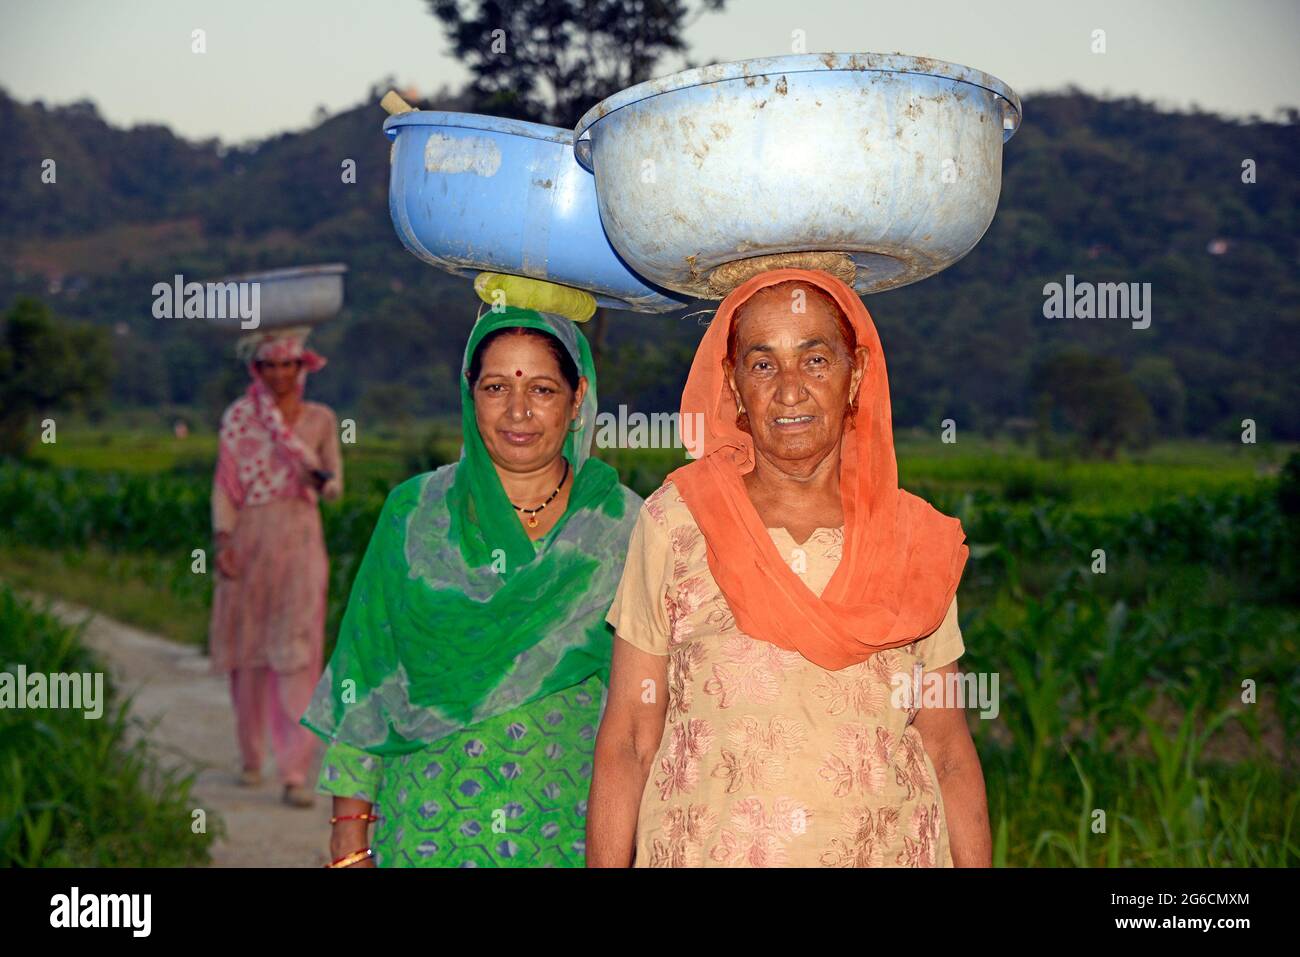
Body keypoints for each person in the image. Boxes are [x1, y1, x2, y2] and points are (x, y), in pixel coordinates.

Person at [588, 268, 991, 867]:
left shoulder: (911, 538)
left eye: (815, 360)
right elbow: (629, 738)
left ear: (855, 375)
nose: (790, 389)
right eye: (763, 363)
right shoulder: (677, 522)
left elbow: (948, 749)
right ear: (733, 384)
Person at [302, 305, 641, 868]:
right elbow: (365, 678)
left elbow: (645, 716)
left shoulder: (621, 527)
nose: (518, 411)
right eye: (494, 387)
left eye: (542, 389)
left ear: (577, 398)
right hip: (428, 826)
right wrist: (349, 836)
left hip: (564, 831)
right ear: (469, 393)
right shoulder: (415, 515)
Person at [210, 325, 343, 808]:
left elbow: (334, 488)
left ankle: (293, 771)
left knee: (297, 653)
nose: (280, 374)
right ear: (258, 370)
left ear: (302, 369)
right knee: (247, 650)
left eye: (289, 364)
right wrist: (223, 537)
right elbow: (225, 485)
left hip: (300, 537)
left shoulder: (320, 420)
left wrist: (316, 476)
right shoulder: (241, 419)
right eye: (271, 365)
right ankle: (251, 756)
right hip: (249, 537)